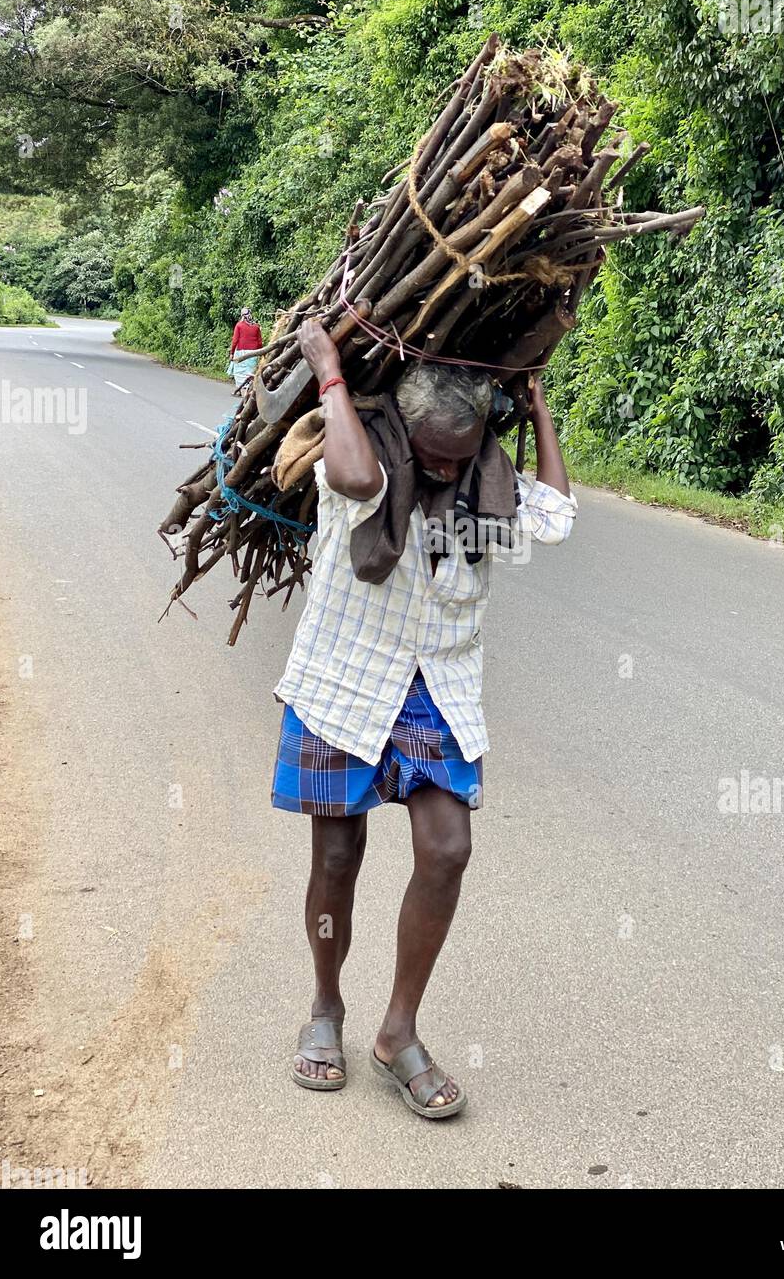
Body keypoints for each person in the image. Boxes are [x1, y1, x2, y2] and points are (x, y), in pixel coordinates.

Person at [271, 317, 577, 1119]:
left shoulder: (486, 483)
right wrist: (329, 371)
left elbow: (555, 516)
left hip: (437, 688)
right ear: (401, 428)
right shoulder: (361, 457)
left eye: (460, 452)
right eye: (431, 452)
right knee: (337, 854)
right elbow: (349, 481)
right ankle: (325, 1009)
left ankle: (397, 1032)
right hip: (344, 679)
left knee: (448, 849)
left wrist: (536, 405)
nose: (443, 467)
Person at [228, 306, 263, 392]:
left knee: (239, 371)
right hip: (253, 353)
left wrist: (232, 353)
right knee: (251, 372)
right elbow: (259, 342)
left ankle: (240, 389)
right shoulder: (256, 327)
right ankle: (249, 389)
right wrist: (260, 352)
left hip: (241, 352)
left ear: (242, 315)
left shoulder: (239, 325)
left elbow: (235, 340)